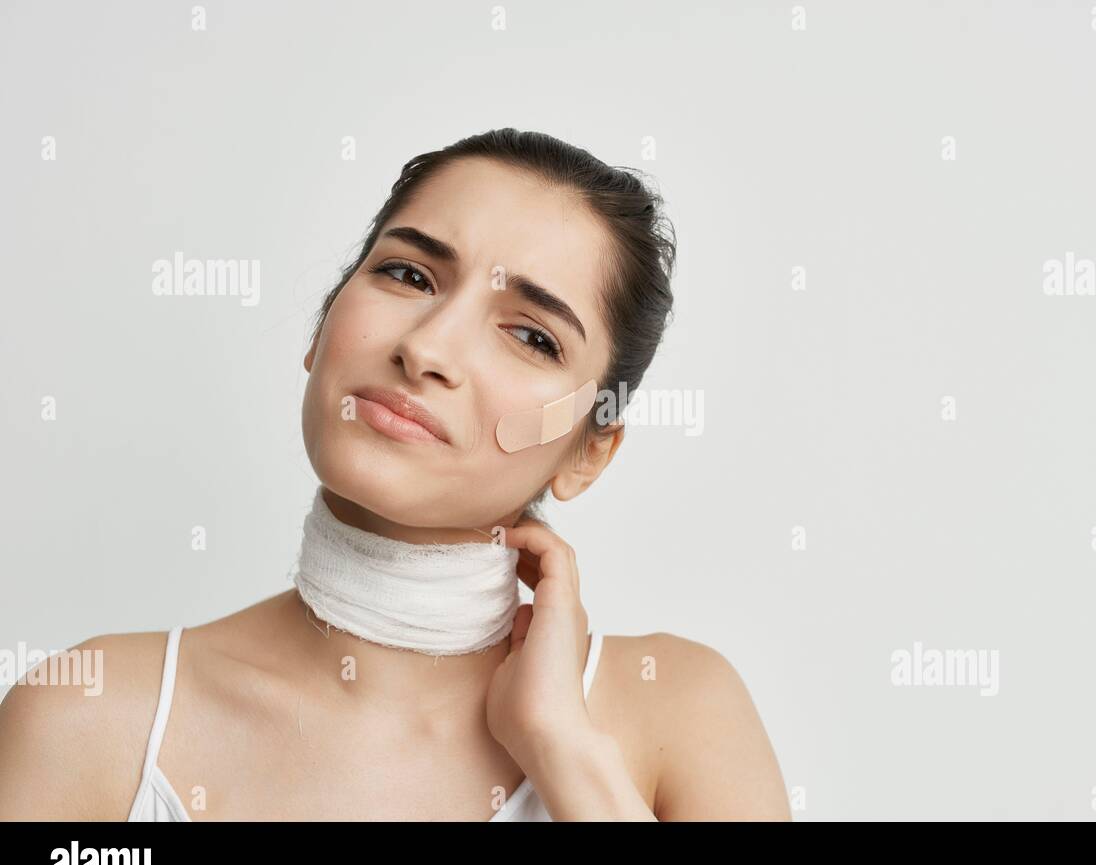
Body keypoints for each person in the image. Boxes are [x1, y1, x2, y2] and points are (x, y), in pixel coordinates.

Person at [0, 128, 791, 822]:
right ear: (321, 329)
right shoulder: (92, 717)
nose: (428, 349)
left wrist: (563, 747)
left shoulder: (682, 713)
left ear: (589, 450)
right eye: (410, 276)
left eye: (532, 336)